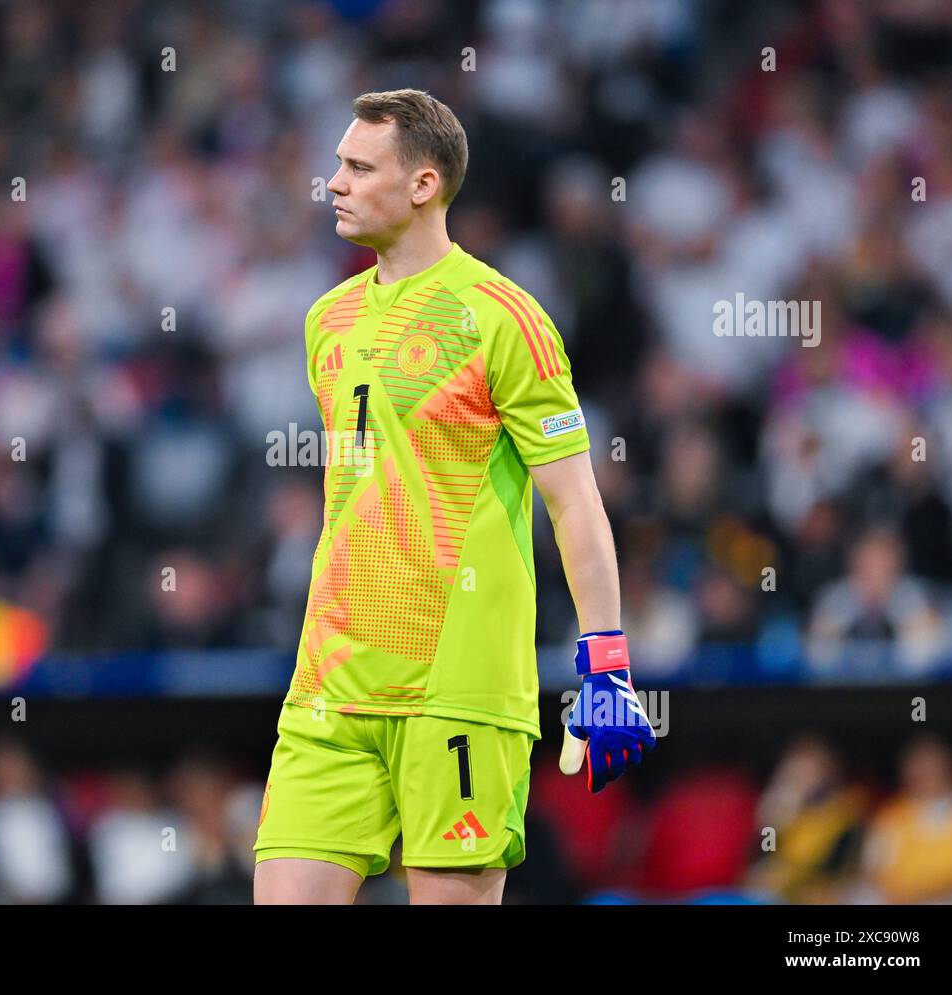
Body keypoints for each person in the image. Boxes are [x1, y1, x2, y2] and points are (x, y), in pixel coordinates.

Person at [254, 89, 655, 906]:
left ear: (423, 184)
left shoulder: (505, 318)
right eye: (336, 163)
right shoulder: (326, 321)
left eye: (358, 167)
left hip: (457, 688)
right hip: (330, 681)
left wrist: (606, 660)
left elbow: (575, 500)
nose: (332, 182)